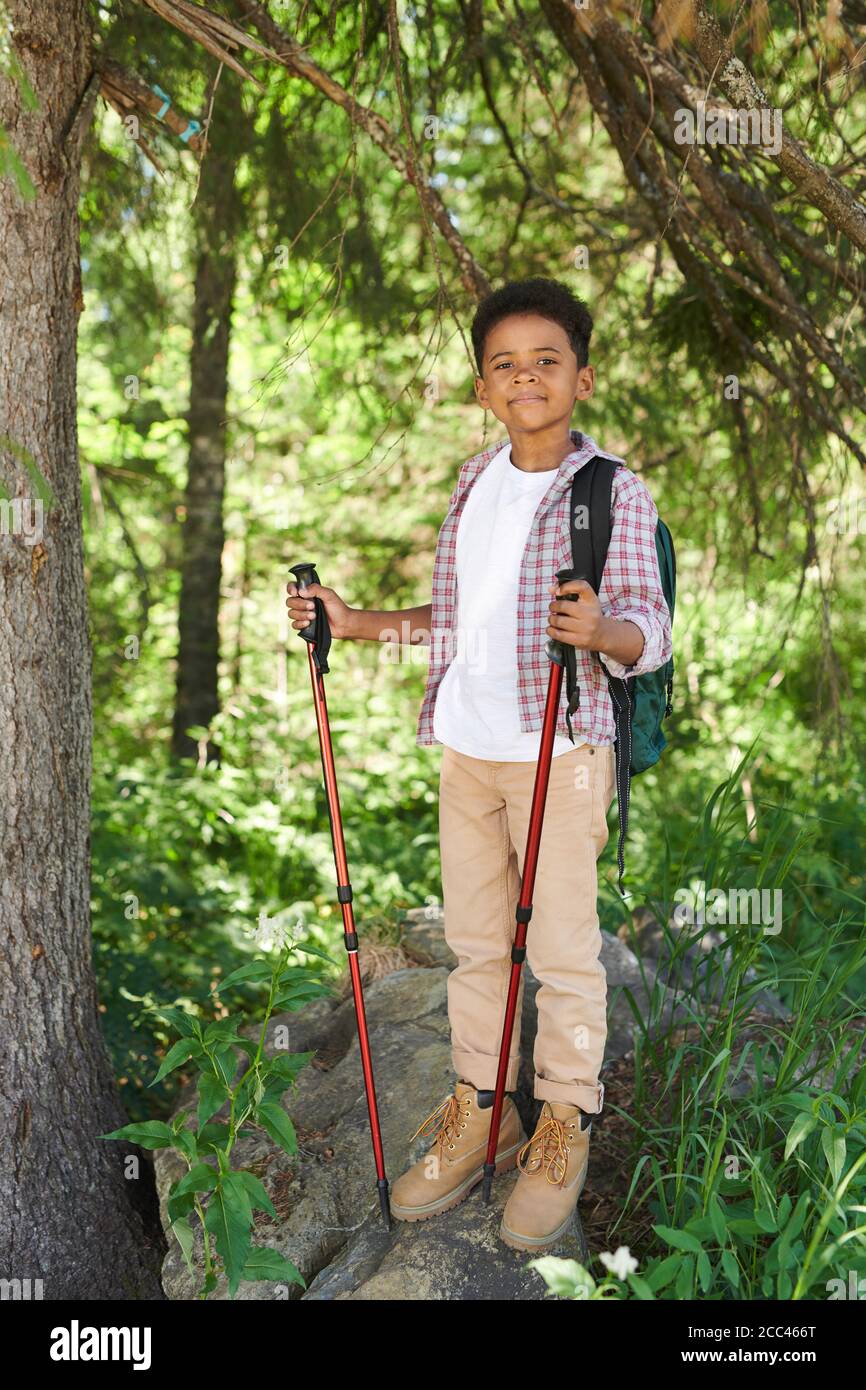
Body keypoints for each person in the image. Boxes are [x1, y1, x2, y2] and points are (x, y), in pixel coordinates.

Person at [286, 276, 672, 1252]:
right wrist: (358, 621)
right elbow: (457, 621)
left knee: (561, 957)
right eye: (504, 363)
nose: (525, 376)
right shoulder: (473, 480)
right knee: (473, 942)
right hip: (467, 750)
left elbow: (650, 628)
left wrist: (605, 631)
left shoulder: (609, 490)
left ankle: (561, 1127)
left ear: (580, 377)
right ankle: (480, 1109)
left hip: (561, 751)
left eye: (545, 360)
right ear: (482, 385)